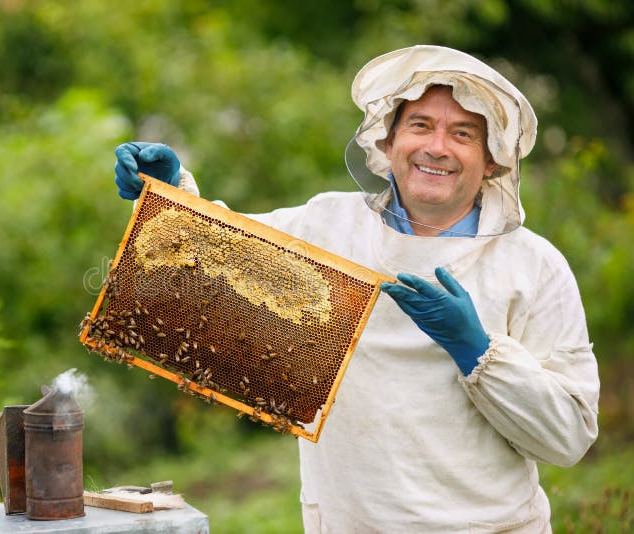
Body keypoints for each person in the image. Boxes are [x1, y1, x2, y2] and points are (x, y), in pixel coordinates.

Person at [113, 45, 600, 533]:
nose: (437, 147)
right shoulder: (328, 225)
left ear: (492, 160)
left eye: (463, 134)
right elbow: (219, 254)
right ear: (387, 142)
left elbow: (569, 437)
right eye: (420, 125)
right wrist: (171, 192)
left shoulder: (533, 266)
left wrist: (476, 350)